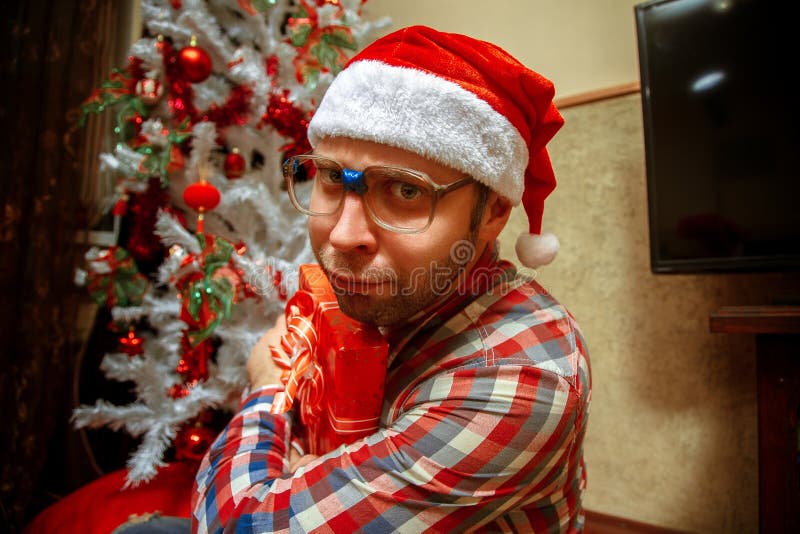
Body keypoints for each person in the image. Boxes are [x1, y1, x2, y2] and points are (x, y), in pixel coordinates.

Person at [193, 25, 591, 533]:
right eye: (334, 178)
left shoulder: (522, 379)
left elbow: (237, 526)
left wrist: (267, 390)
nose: (343, 235)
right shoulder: (374, 297)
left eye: (405, 190)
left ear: (493, 212)